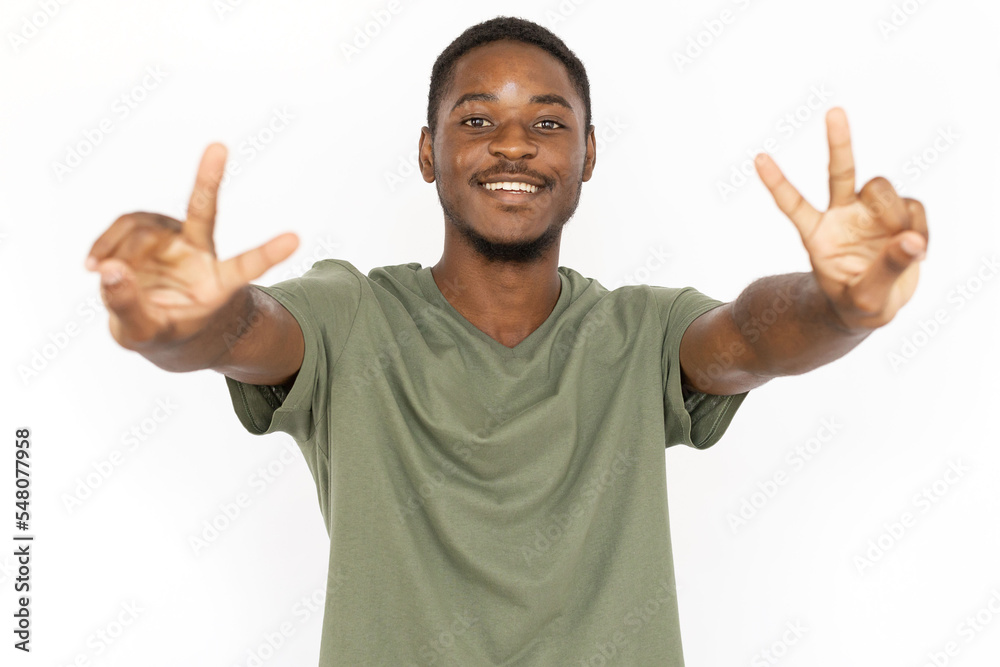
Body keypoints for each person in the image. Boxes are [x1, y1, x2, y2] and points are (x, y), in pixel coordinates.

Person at [84, 16, 928, 667]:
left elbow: (751, 336)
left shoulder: (640, 331)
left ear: (589, 153)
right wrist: (184, 319)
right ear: (428, 151)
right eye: (477, 118)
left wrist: (842, 303)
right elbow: (244, 330)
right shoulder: (352, 316)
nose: (514, 143)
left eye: (549, 123)